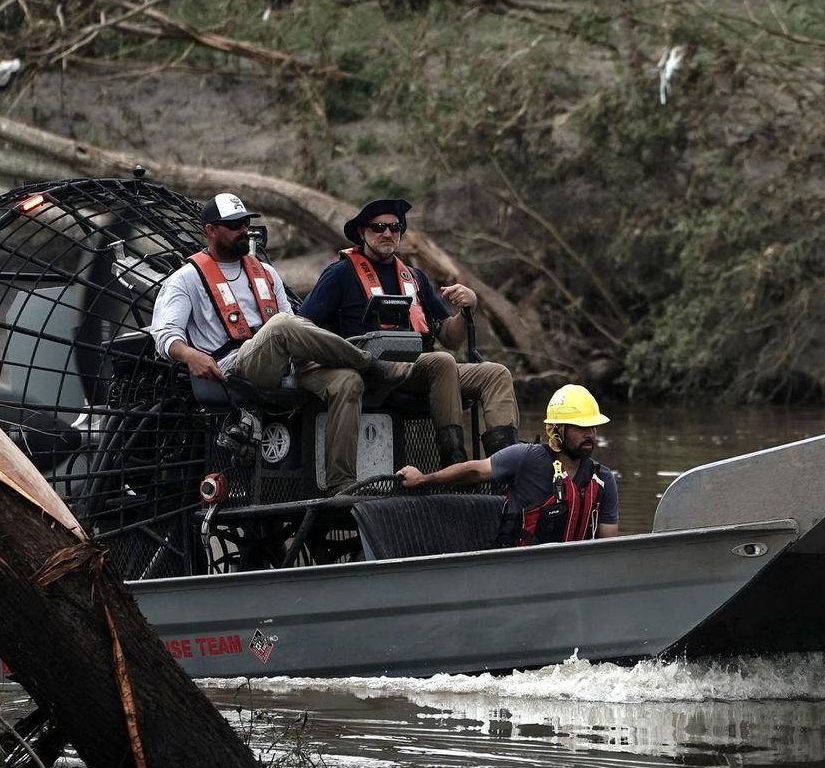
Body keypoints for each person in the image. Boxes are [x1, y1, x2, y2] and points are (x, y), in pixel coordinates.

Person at [149, 193, 413, 492]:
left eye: (245, 224)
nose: (243, 230)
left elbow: (295, 327)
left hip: (284, 362)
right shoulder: (186, 278)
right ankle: (372, 364)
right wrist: (189, 355)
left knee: (347, 381)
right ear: (211, 230)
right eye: (234, 226)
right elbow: (164, 334)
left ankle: (340, 482)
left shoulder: (266, 272)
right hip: (235, 368)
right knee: (281, 326)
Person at [300, 197, 520, 466]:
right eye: (378, 227)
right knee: (441, 361)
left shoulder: (415, 278)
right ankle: (455, 464)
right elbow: (304, 324)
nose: (387, 233)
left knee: (496, 373)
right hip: (371, 369)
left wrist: (467, 310)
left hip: (422, 368)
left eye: (394, 227)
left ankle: (506, 466)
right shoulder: (340, 274)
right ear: (362, 233)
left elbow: (451, 338)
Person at [395, 384, 619, 545]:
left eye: (593, 427)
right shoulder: (525, 458)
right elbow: (474, 470)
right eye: (581, 428)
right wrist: (423, 479)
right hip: (523, 568)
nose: (590, 434)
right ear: (557, 430)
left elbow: (609, 545)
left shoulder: (603, 479)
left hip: (574, 573)